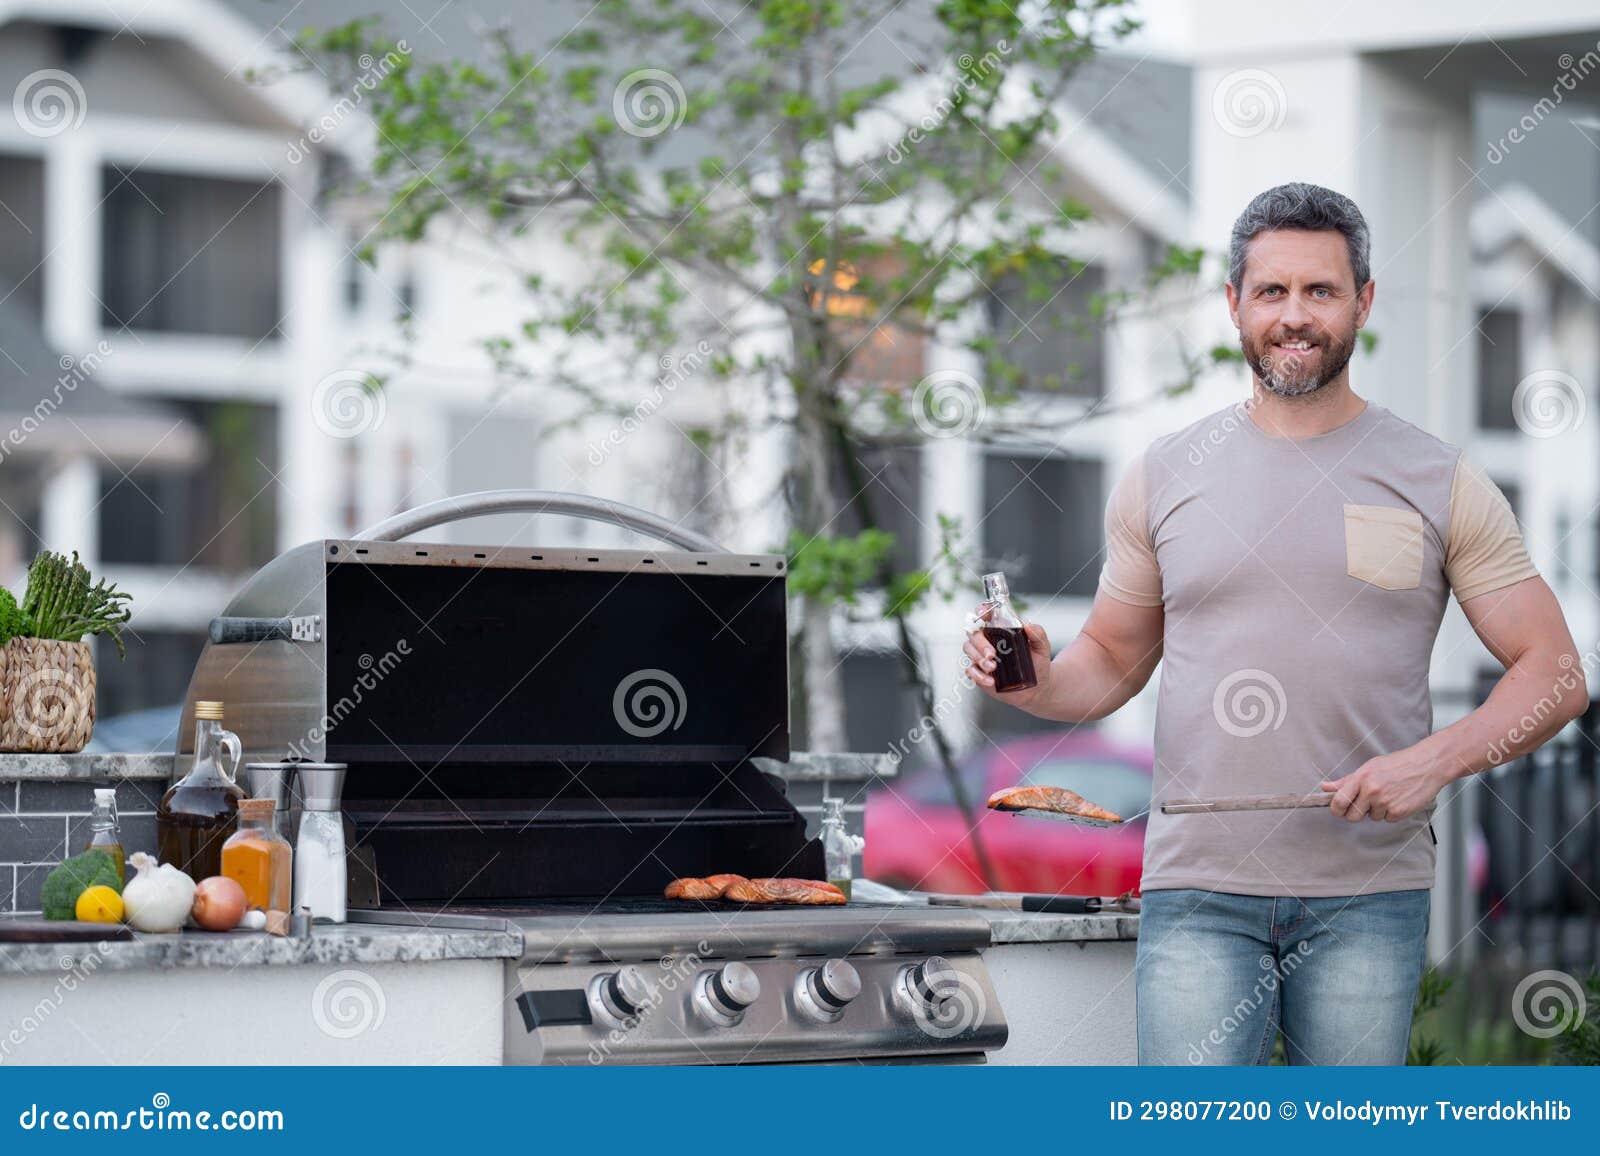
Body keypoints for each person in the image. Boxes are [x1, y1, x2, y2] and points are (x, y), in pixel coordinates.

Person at [961, 182, 1586, 1065]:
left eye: (1321, 291)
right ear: (1234, 305)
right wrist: (1036, 676)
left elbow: (1557, 674)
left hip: (1369, 893)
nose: (1295, 316)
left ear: (1362, 302)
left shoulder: (1438, 478)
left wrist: (1435, 761)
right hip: (1198, 892)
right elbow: (1107, 661)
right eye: (1272, 292)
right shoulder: (1168, 473)